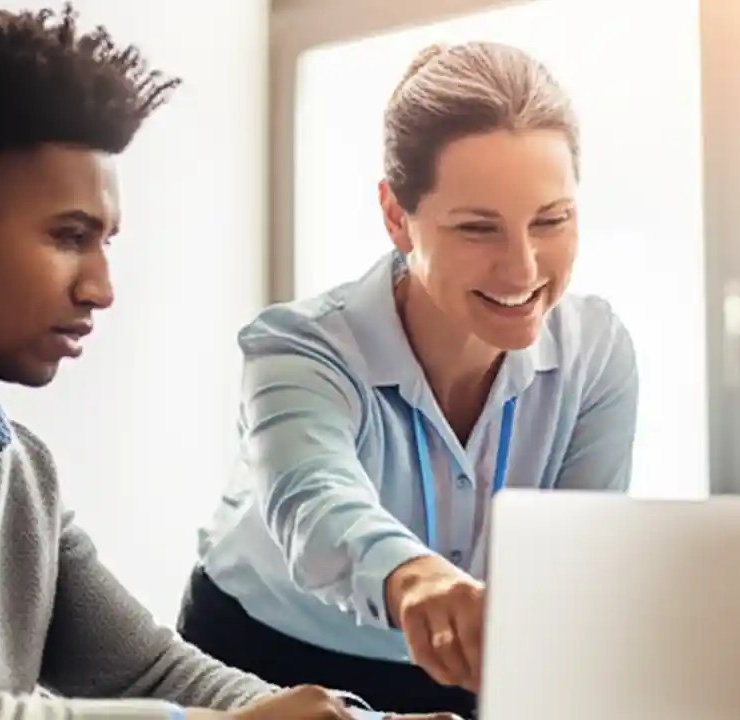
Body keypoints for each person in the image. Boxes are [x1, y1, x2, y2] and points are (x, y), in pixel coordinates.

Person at [0, 3, 455, 719]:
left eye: (105, 243)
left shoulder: (19, 474)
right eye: (69, 236)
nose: (100, 288)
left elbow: (146, 671)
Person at [176, 40, 639, 717]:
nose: (523, 269)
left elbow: (580, 555)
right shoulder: (298, 348)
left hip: (475, 659)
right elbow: (313, 500)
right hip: (264, 656)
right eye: (478, 229)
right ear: (397, 216)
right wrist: (412, 576)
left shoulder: (597, 353)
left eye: (552, 221)